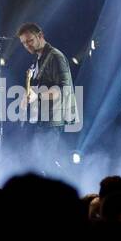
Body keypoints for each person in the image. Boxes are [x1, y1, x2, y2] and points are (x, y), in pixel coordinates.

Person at [17, 23, 75, 174]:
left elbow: (63, 89)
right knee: (39, 165)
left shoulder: (55, 56)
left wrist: (38, 95)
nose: (27, 45)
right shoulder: (39, 59)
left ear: (40, 36)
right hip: (41, 120)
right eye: (23, 43)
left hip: (51, 121)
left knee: (45, 165)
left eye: (29, 40)